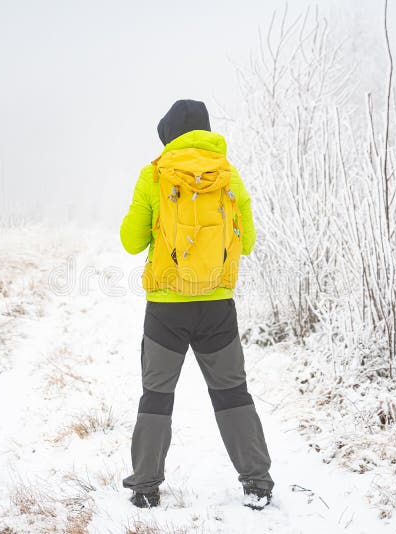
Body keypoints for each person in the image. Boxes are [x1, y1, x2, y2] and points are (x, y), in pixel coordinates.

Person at [119, 99, 274, 510]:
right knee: (232, 393)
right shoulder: (228, 175)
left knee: (156, 394)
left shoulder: (153, 176)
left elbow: (131, 241)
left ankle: (146, 487)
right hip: (217, 307)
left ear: (168, 134)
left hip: (166, 310)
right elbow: (250, 242)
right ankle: (257, 482)